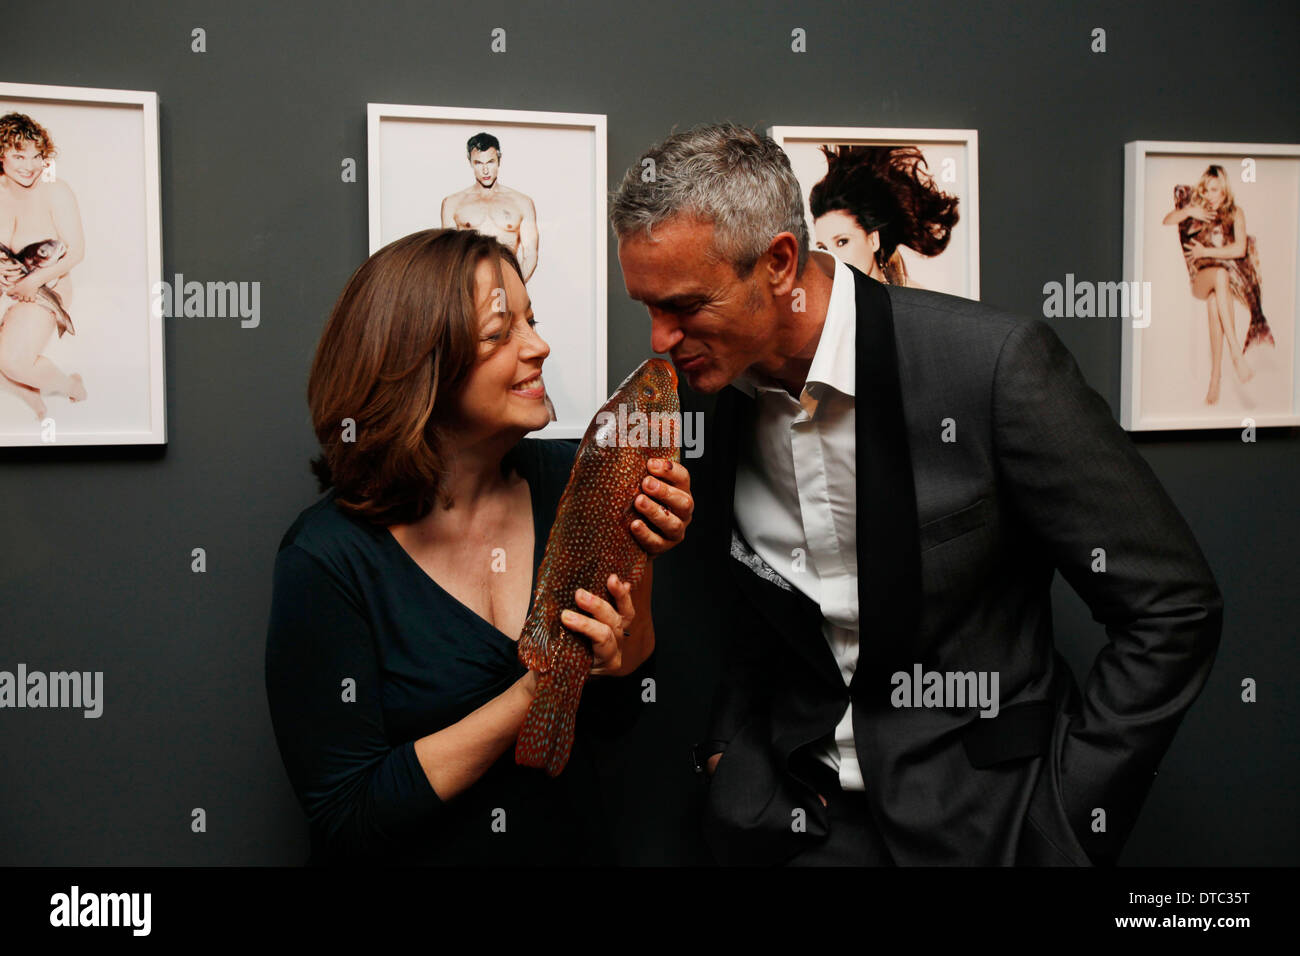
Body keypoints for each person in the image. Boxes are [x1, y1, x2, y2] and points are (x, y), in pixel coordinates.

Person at [610, 122, 1223, 866]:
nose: (658, 339)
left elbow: (1172, 606)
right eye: (646, 306)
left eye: (682, 306)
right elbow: (755, 613)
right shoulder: (701, 399)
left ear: (777, 262)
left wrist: (1064, 827)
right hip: (791, 824)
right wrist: (728, 759)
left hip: (988, 828)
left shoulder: (992, 367)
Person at [264, 228, 693, 864]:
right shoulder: (326, 559)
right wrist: (534, 691)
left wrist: (638, 572)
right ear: (417, 368)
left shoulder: (574, 484)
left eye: (532, 321)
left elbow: (623, 710)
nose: (539, 347)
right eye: (499, 334)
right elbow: (348, 813)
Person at [0, 112, 87, 420]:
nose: (30, 166)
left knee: (11, 360)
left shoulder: (55, 190)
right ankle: (31, 396)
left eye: (37, 156)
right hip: (6, 284)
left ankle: (68, 385)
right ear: (1, 155)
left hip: (47, 286)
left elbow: (76, 252)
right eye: (19, 155)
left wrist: (32, 283)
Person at [1162, 164, 1272, 405]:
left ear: (1225, 191)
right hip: (1199, 279)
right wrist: (1190, 210)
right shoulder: (1197, 208)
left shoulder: (1235, 212)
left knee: (1215, 301)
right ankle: (1235, 353)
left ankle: (1215, 379)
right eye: (1208, 190)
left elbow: (1240, 248)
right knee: (1219, 276)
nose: (1211, 195)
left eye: (1216, 190)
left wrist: (1206, 250)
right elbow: (1167, 220)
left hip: (1223, 283)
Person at [808, 144, 958, 287]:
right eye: (824, 249)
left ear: (873, 240)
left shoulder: (915, 305)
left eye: (842, 242)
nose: (832, 259)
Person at [441, 133, 540, 282]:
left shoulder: (522, 203)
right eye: (479, 163)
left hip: (507, 280)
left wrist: (514, 286)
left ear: (499, 160)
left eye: (490, 162)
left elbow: (530, 253)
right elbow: (448, 254)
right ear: (470, 163)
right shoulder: (452, 203)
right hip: (468, 283)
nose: (485, 170)